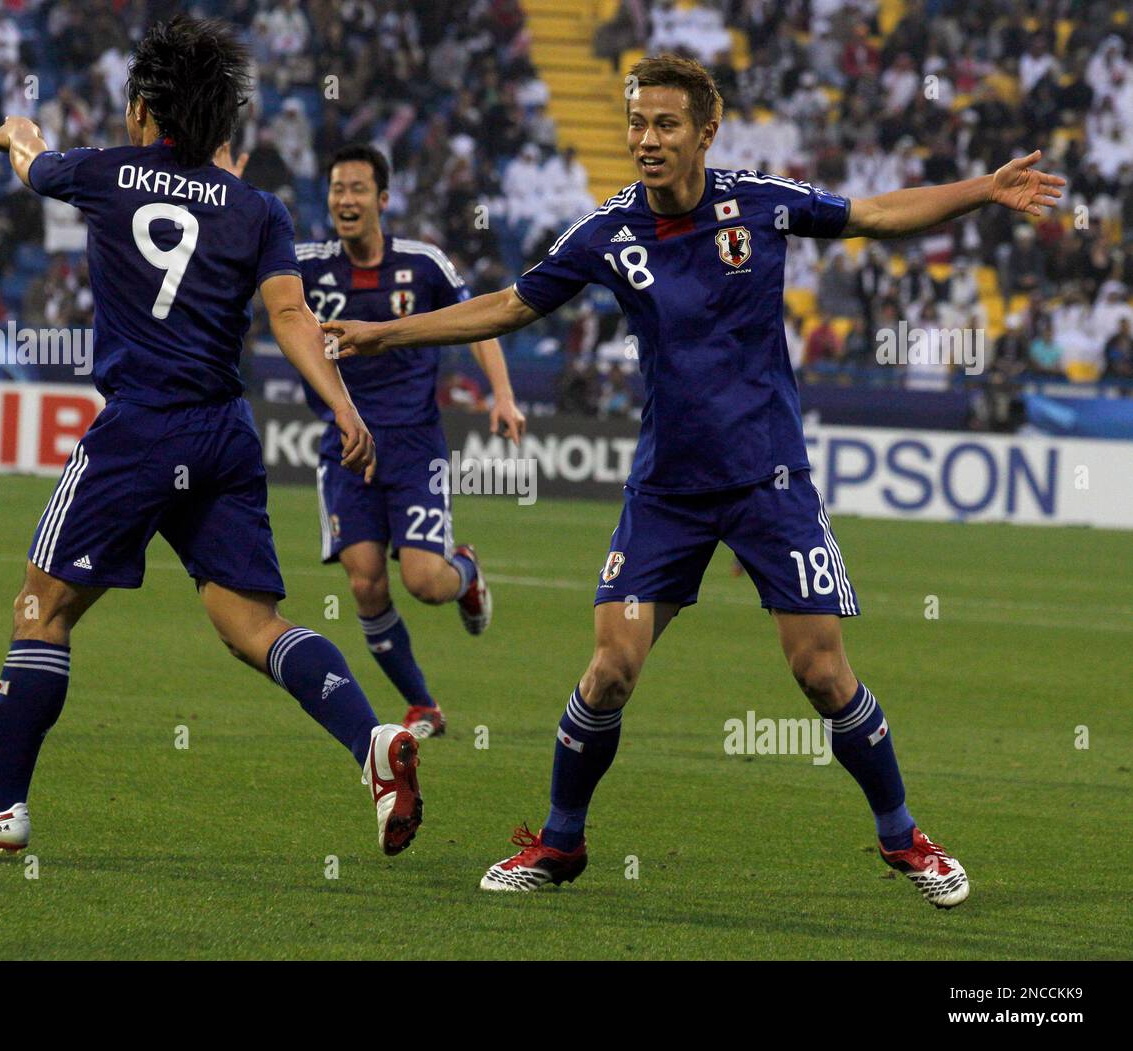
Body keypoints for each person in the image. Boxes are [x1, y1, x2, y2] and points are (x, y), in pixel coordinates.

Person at [323, 53, 1065, 909]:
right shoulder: (606, 232)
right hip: (667, 489)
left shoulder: (761, 201)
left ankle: (904, 837)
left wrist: (981, 189)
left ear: (705, 132)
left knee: (822, 672)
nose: (646, 139)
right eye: (637, 122)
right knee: (608, 670)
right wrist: (386, 335)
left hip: (769, 479)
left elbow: (877, 213)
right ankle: (560, 843)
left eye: (665, 124)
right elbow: (510, 304)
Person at [0, 16, 424, 859]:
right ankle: (370, 740)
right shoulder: (259, 209)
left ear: (145, 108)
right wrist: (343, 406)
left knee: (40, 608)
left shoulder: (108, 175)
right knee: (253, 623)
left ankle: (0, 802)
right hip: (224, 430)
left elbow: (33, 162)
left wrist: (18, 129)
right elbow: (291, 315)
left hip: (141, 426)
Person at [295, 143, 526, 739]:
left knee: (425, 582)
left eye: (357, 189)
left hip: (414, 448)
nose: (346, 200)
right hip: (346, 446)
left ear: (383, 200)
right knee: (366, 581)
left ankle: (465, 573)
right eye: (337, 189)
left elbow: (481, 320)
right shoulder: (308, 267)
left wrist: (502, 395)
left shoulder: (423, 265)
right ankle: (423, 704)